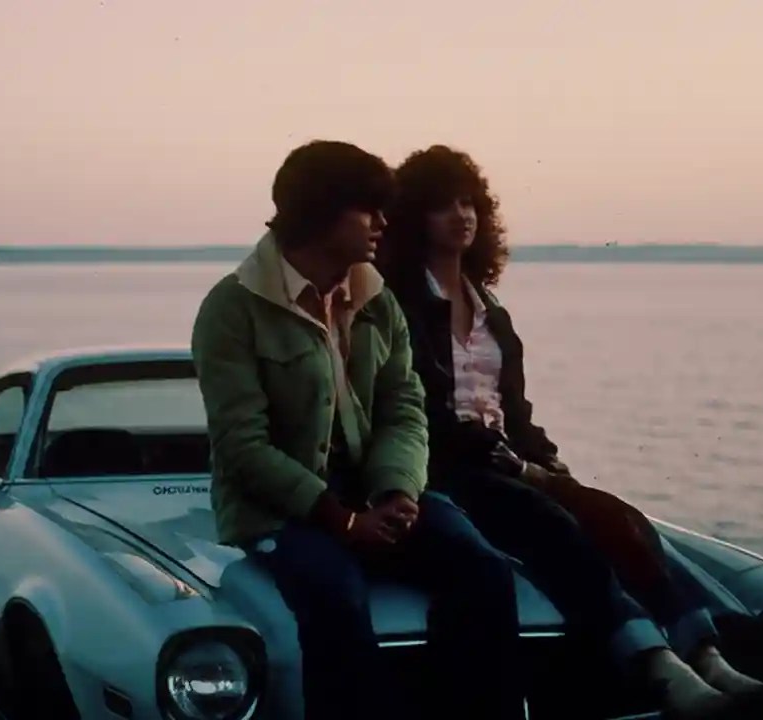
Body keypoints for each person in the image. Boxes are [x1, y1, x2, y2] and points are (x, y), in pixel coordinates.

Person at [377, 143, 763, 718]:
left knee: (623, 520)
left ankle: (708, 654)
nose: (461, 216)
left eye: (469, 203)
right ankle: (658, 668)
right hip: (446, 470)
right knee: (557, 527)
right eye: (444, 205)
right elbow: (415, 409)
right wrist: (517, 466)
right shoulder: (402, 306)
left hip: (508, 463)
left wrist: (546, 462)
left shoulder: (490, 309)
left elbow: (514, 412)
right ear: (416, 216)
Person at [190, 139, 527, 720]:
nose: (382, 222)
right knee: (336, 596)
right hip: (282, 512)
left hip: (374, 495)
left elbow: (404, 407)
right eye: (367, 209)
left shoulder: (377, 300)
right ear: (321, 212)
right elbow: (243, 447)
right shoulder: (232, 308)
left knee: (484, 571)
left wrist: (397, 491)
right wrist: (341, 521)